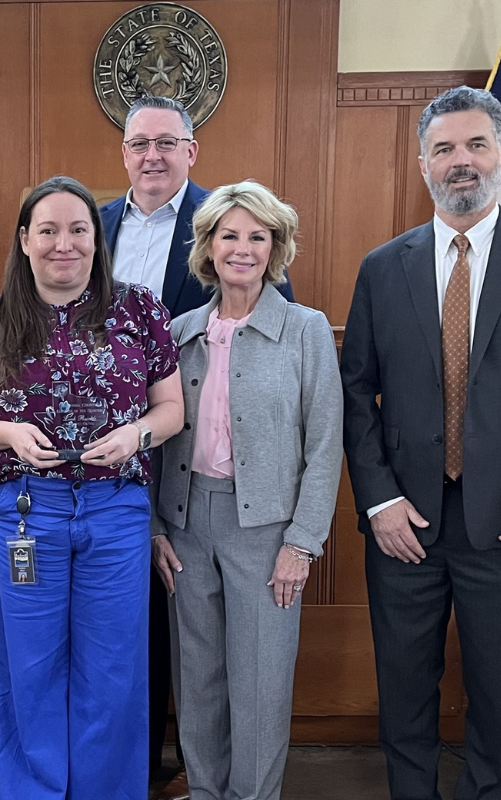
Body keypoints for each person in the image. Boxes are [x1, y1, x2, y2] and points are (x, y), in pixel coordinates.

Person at [340, 86, 501, 800]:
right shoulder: (381, 267)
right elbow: (355, 395)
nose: (461, 162)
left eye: (476, 145)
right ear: (422, 162)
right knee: (404, 690)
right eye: (445, 149)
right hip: (405, 524)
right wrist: (379, 501)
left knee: (500, 696)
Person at [0, 175, 184, 799]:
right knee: (30, 666)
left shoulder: (139, 309)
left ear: (96, 239)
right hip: (29, 512)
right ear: (24, 240)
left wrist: (137, 436)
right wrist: (7, 432)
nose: (64, 244)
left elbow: (171, 410)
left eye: (78, 229)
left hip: (117, 512)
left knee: (112, 670)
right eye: (47, 230)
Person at [99, 95, 295, 795]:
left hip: (226, 482)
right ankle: (143, 768)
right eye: (139, 143)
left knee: (235, 657)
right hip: (115, 478)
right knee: (151, 637)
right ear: (123, 151)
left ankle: (210, 775)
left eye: (167, 143)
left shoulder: (232, 223)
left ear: (191, 151)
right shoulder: (89, 228)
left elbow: (274, 368)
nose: (152, 155)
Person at [151, 180, 342, 800]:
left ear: (276, 247)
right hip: (185, 523)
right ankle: (206, 791)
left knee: (259, 682)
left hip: (265, 530)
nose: (242, 248)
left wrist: (304, 541)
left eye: (257, 236)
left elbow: (325, 444)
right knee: (197, 675)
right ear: (207, 246)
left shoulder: (306, 330)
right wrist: (156, 528)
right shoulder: (177, 331)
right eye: (229, 235)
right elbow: (152, 434)